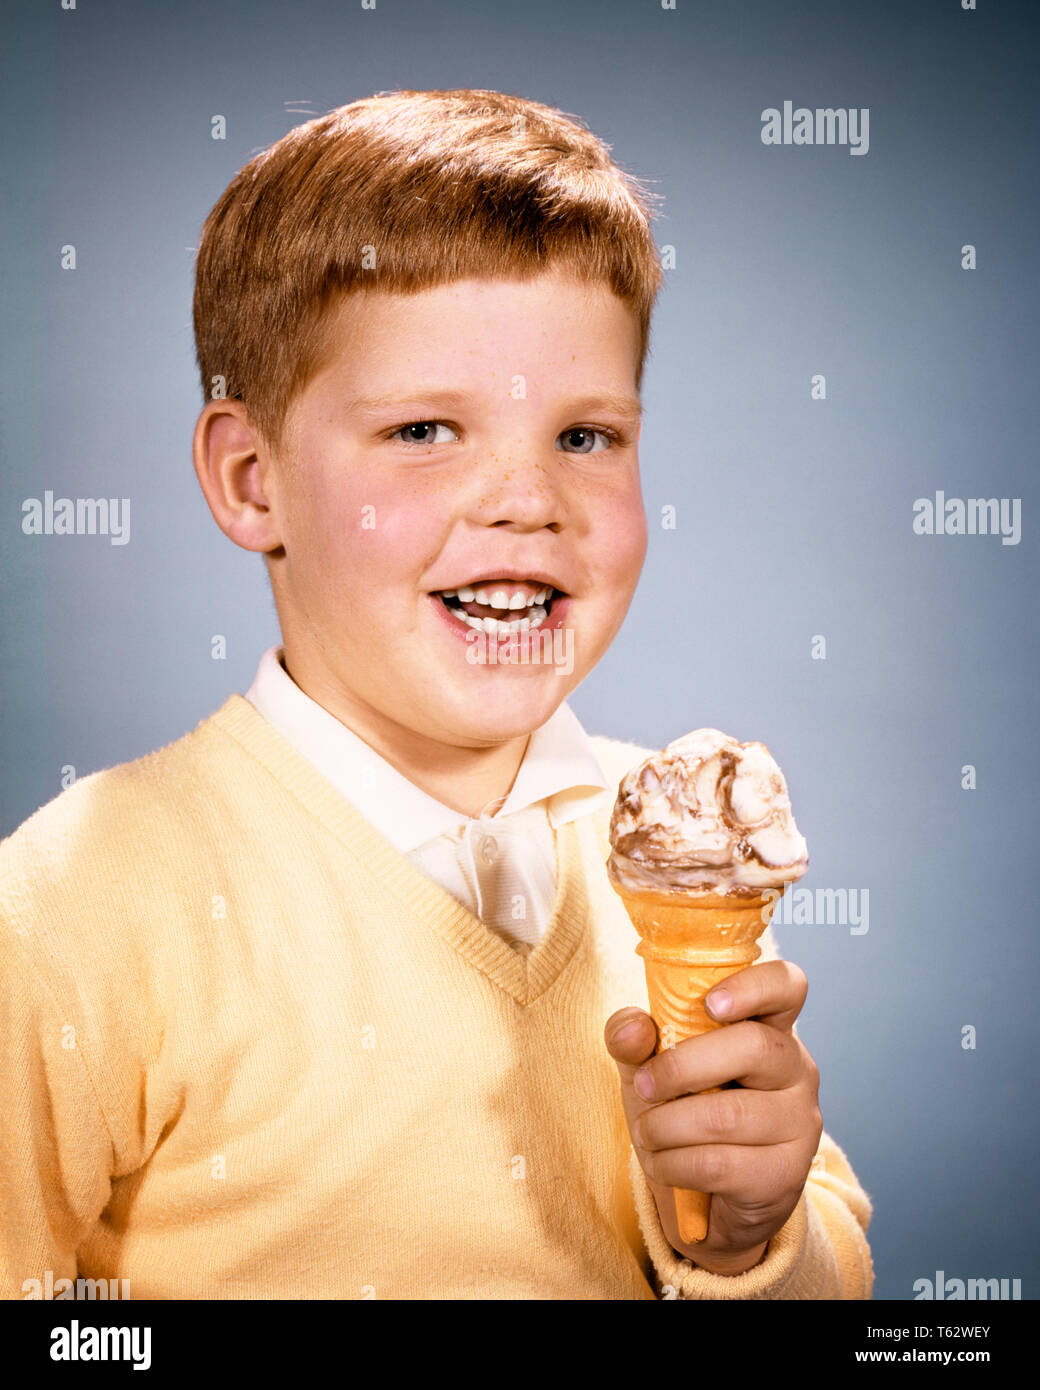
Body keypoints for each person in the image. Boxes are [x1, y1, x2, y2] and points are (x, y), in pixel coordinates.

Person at [0, 89, 872, 1299]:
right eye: (423, 430)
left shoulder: (665, 848)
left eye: (584, 437)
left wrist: (745, 1241)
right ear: (252, 479)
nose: (525, 499)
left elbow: (825, 1284)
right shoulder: (78, 897)